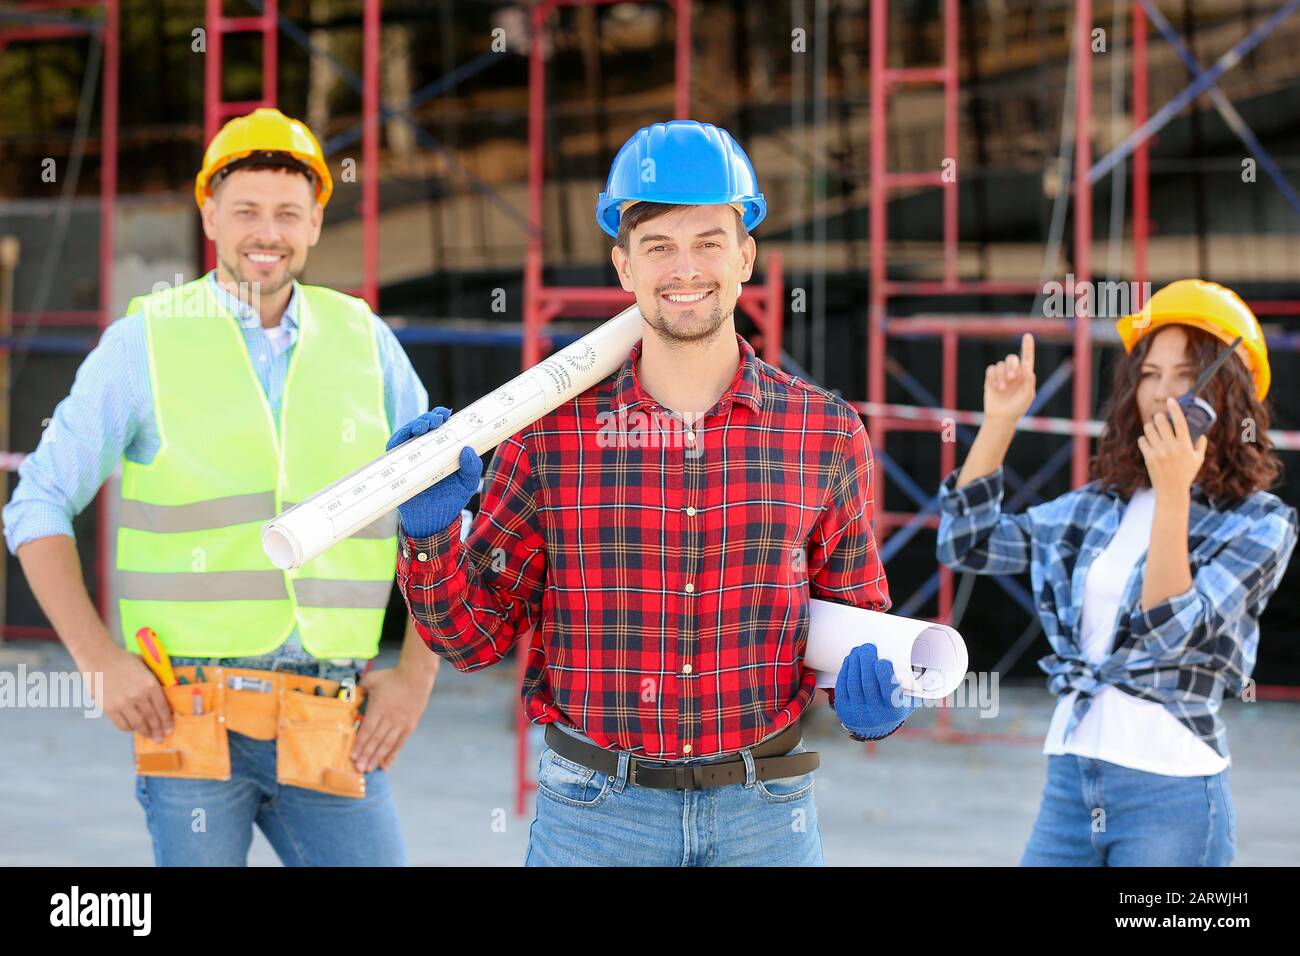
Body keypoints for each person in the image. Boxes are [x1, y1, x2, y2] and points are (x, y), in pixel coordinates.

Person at [389, 120, 914, 866]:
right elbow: (470, 640)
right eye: (659, 246)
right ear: (623, 266)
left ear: (746, 257)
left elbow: (858, 623)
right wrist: (430, 536)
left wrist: (876, 703)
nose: (686, 267)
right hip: (596, 818)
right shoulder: (550, 437)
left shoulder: (822, 434)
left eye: (708, 240)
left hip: (765, 817)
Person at [5, 107, 437, 866]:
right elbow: (36, 503)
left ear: (312, 224)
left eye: (286, 213)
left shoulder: (365, 341)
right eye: (245, 210)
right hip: (188, 718)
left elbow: (439, 511)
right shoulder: (145, 341)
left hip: (333, 712)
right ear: (209, 215)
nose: (265, 232)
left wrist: (417, 675)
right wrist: (98, 659)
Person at [937, 279, 1297, 866]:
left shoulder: (1259, 524)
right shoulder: (1100, 505)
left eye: (1186, 375)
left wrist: (1175, 491)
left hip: (1172, 790)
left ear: (1226, 394)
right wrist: (1000, 423)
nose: (1162, 393)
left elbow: (1170, 629)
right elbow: (967, 544)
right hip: (1072, 777)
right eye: (1150, 375)